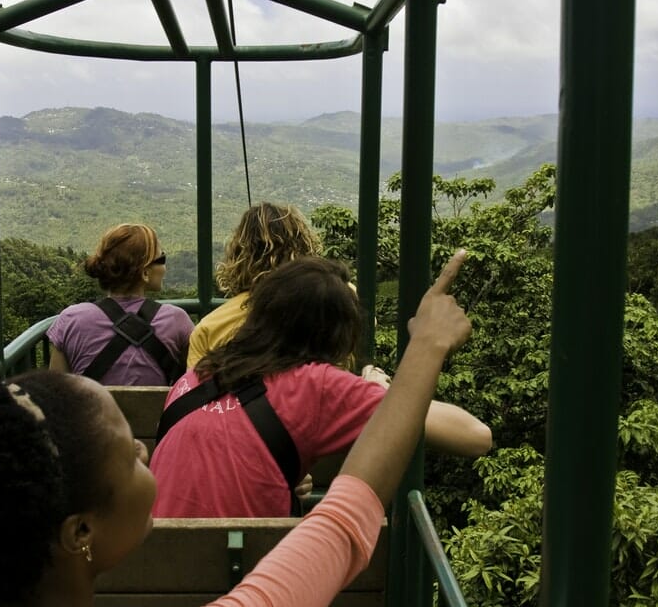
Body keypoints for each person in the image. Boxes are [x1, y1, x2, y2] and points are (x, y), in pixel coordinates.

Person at [0, 250, 474, 607]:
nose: (148, 449)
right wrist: (427, 346)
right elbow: (344, 518)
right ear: (80, 530)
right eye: (129, 452)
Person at [150, 255, 492, 518]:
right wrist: (380, 389)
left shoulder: (196, 377)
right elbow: (475, 435)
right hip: (238, 593)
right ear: (336, 337)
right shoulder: (316, 386)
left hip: (151, 584)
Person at [48, 223, 192, 386]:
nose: (165, 267)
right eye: (162, 259)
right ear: (145, 272)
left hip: (93, 411)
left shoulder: (70, 320)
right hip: (157, 412)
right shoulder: (177, 320)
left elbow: (56, 395)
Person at [187, 202, 319, 367]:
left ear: (238, 254)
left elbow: (194, 389)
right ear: (304, 247)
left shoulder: (209, 328)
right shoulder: (333, 306)